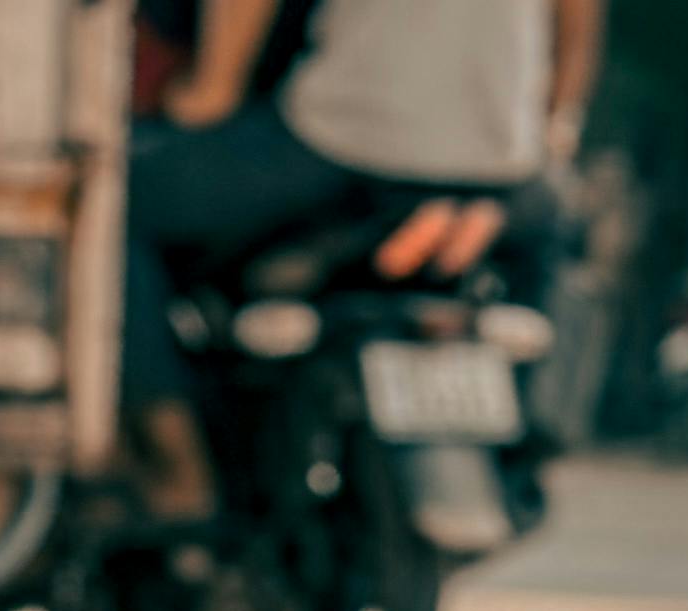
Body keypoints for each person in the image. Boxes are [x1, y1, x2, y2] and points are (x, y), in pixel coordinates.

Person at [121, 0, 606, 527]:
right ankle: (524, 449)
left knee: (117, 207)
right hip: (503, 167)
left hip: (343, 148)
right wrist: (555, 126)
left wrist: (211, 90)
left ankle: (173, 458)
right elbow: (579, 18)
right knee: (561, 248)